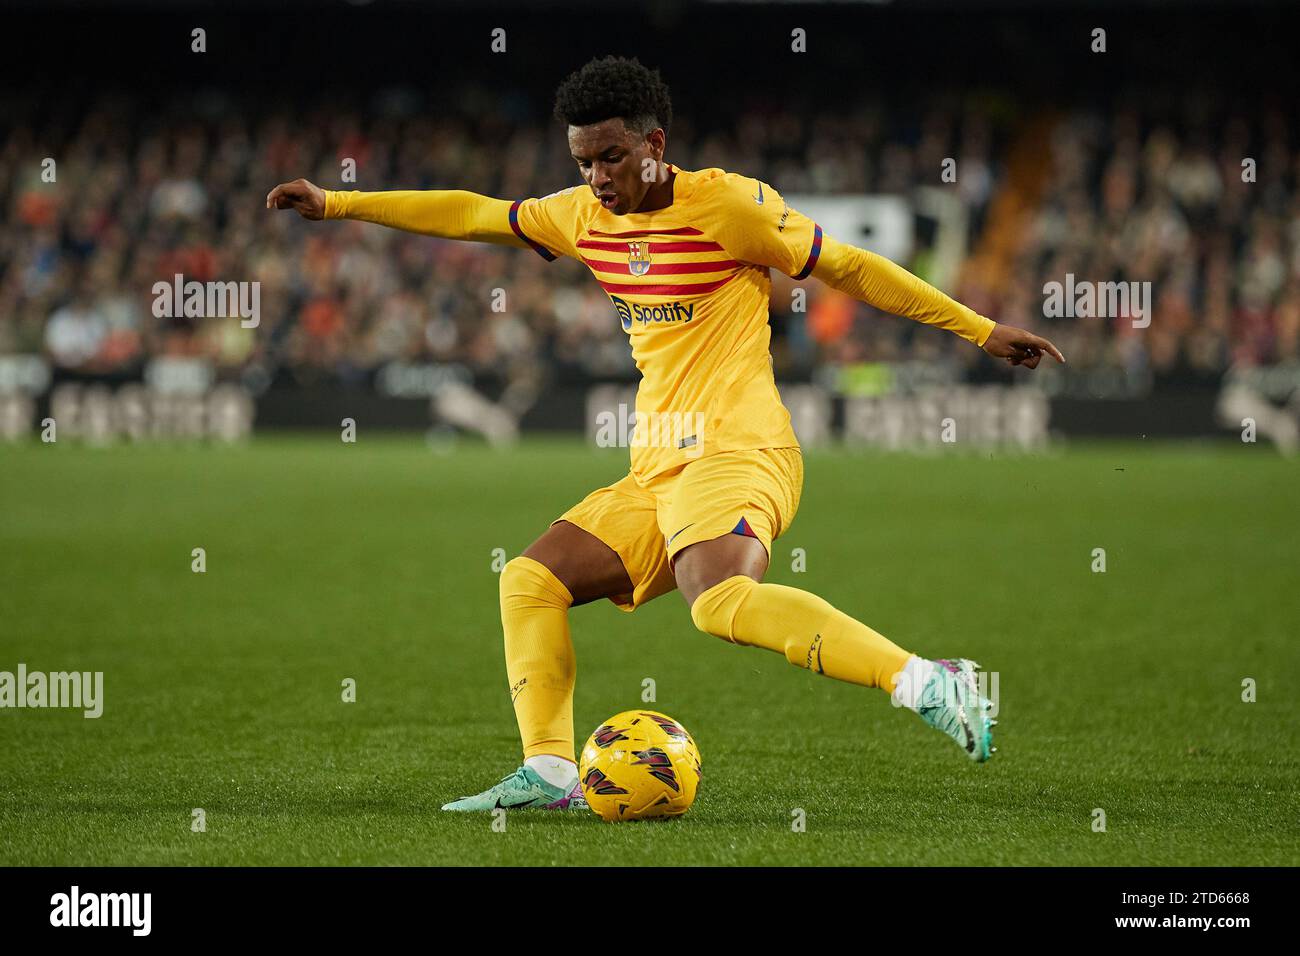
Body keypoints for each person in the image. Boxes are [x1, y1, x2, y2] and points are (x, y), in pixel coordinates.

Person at [268, 55, 1064, 812]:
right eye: (583, 161)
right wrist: (340, 204)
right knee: (530, 582)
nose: (597, 178)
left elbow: (849, 266)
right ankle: (548, 770)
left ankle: (928, 680)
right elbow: (474, 213)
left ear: (655, 144)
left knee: (718, 603)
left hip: (738, 448)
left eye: (611, 157)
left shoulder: (730, 206)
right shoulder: (583, 216)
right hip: (658, 465)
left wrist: (978, 328)